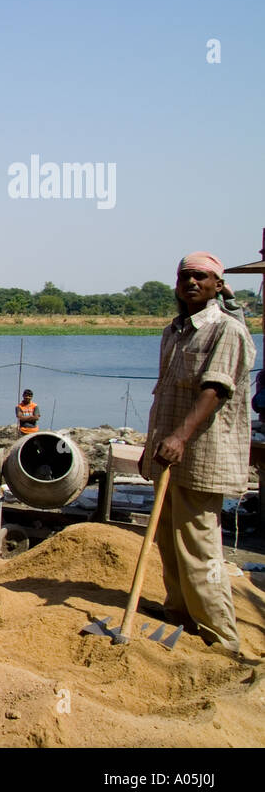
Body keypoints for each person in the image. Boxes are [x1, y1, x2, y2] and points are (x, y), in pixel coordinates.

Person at [142, 252, 256, 654]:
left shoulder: (226, 330)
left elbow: (214, 389)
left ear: (218, 285)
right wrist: (153, 446)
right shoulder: (174, 331)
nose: (191, 282)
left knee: (198, 544)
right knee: (168, 541)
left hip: (200, 452)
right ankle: (180, 613)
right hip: (168, 454)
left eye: (201, 277)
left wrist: (181, 437)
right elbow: (165, 393)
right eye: (185, 276)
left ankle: (221, 636)